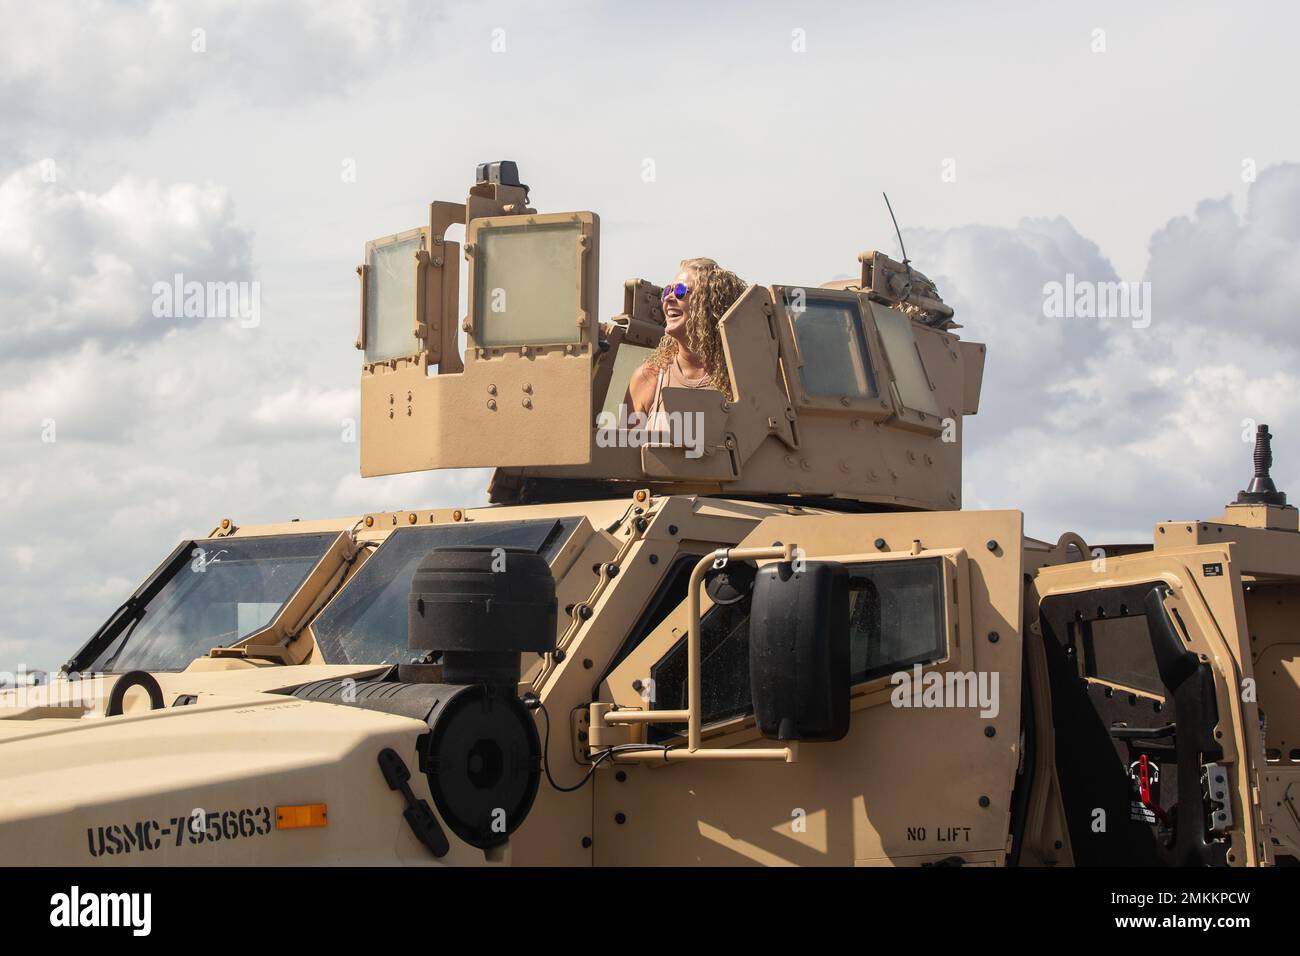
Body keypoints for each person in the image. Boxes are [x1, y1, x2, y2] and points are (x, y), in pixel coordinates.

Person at [623, 258, 747, 420]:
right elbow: (626, 445)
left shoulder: (742, 380)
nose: (668, 298)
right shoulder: (648, 378)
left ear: (710, 305)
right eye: (668, 291)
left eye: (681, 291)